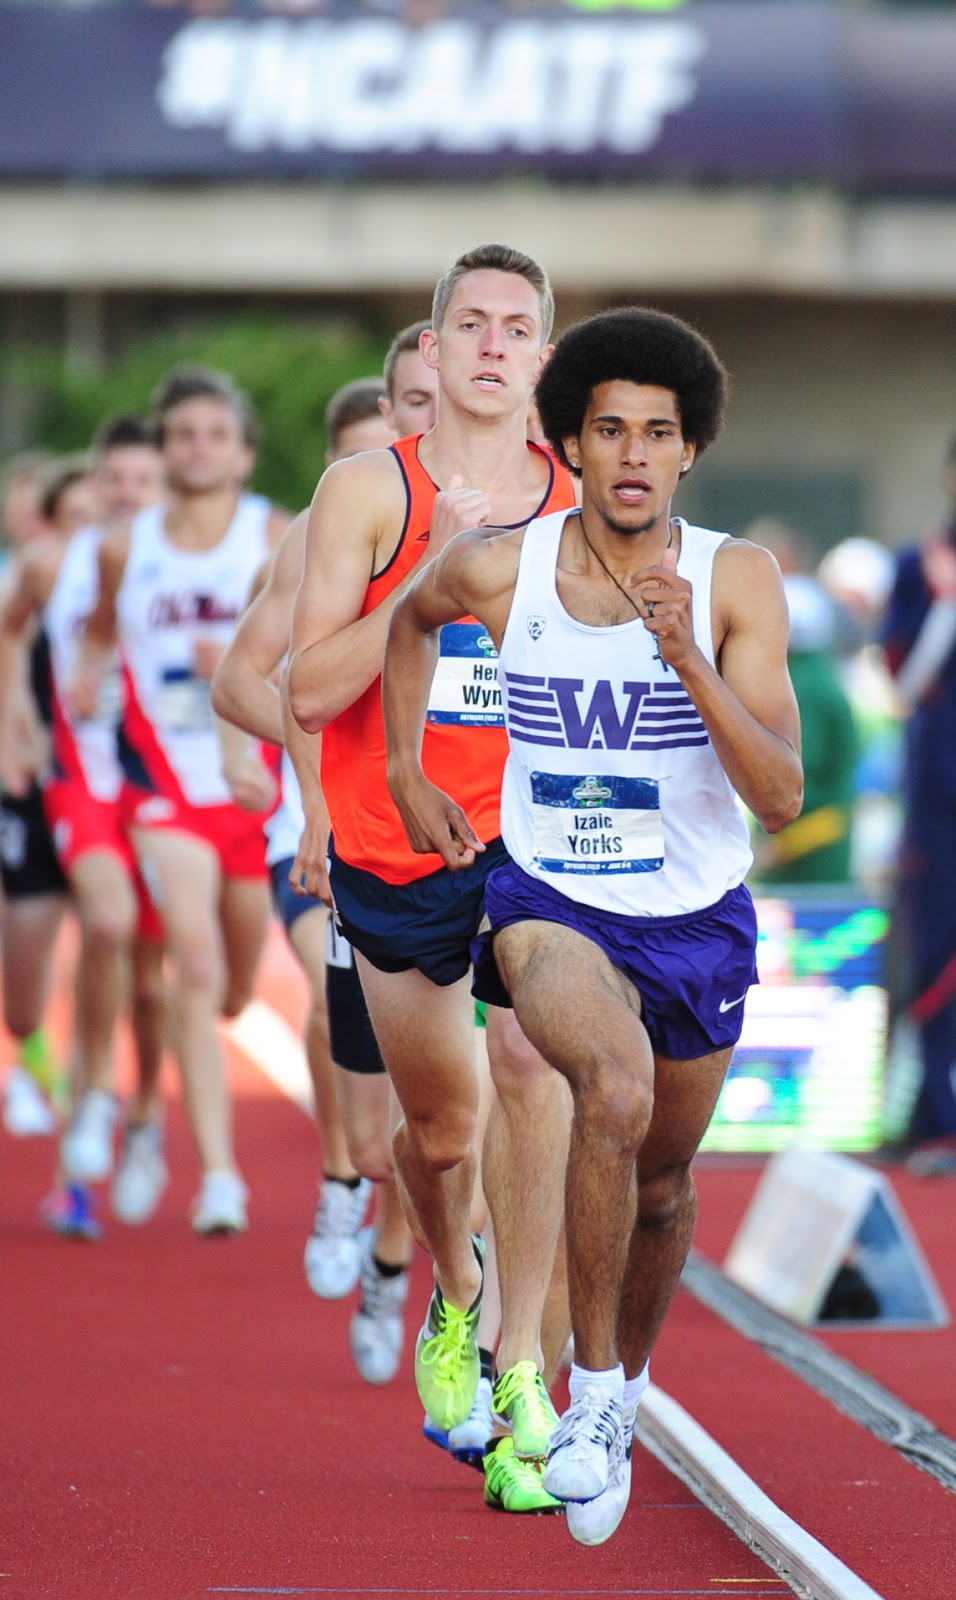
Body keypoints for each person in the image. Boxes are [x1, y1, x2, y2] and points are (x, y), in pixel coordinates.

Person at [383, 304, 802, 1544]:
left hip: (694, 919)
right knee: (604, 1089)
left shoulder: (733, 579)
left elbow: (778, 795)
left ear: (688, 452)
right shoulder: (499, 568)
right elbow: (410, 623)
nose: (629, 452)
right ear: (567, 439)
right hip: (547, 899)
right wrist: (409, 770)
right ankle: (596, 1395)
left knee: (663, 1181)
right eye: (607, 428)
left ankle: (622, 1379)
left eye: (656, 433)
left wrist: (690, 662)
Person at [287, 245, 577, 1514]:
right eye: (472, 323)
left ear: (544, 359)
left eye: (518, 327)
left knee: (531, 1065)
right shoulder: (366, 489)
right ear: (439, 345)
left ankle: (522, 1365)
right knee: (444, 1130)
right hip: (391, 842)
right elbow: (302, 689)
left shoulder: (584, 492)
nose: (494, 344)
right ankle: (455, 1302)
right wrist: (426, 575)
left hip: (539, 840)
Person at [212, 354, 431, 1385]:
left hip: (474, 848)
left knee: (455, 1114)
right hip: (333, 835)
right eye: (416, 400)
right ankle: (342, 1176)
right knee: (357, 1078)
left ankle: (402, 1263)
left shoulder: (537, 517)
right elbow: (248, 681)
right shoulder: (332, 523)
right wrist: (318, 798)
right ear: (392, 410)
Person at [73, 366, 290, 1234]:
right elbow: (93, 635)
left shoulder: (271, 535)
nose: (196, 447)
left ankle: (145, 1115)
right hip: (161, 785)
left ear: (242, 453)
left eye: (213, 434)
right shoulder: (128, 546)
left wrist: (242, 670)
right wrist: (89, 678)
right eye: (182, 434)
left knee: (231, 987)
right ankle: (219, 1177)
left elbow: (305, 649)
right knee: (191, 966)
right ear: (164, 452)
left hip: (250, 787)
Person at [0, 421, 169, 1235]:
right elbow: (10, 631)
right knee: (100, 929)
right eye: (118, 480)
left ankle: (136, 1116)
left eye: (147, 480)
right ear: (98, 485)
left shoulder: (193, 565)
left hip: (167, 790)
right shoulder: (52, 562)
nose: (130, 495)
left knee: (150, 977)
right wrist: (19, 719)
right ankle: (92, 1093)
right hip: (79, 780)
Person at [882, 430, 956, 1175]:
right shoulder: (917, 567)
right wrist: (946, 605)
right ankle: (935, 1116)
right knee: (933, 957)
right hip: (938, 800)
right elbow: (900, 682)